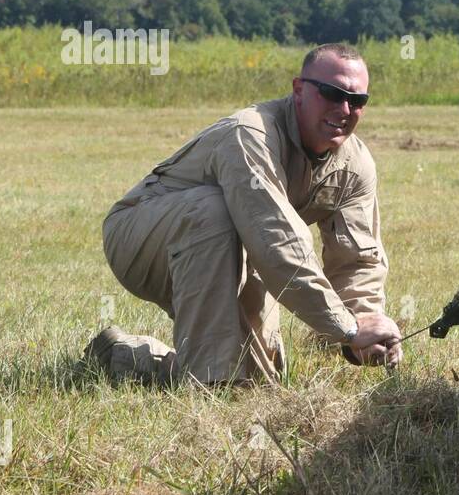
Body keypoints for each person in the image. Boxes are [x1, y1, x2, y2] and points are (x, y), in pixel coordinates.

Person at [87, 43, 403, 386]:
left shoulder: (356, 166)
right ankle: (211, 382)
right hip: (139, 237)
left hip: (233, 239)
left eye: (357, 101)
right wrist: (347, 328)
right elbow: (275, 241)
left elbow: (357, 259)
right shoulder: (251, 134)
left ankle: (125, 355)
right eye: (331, 93)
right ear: (299, 90)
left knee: (262, 379)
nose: (344, 109)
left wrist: (367, 328)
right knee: (215, 212)